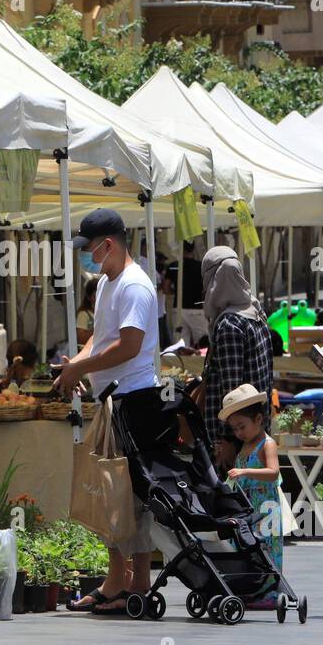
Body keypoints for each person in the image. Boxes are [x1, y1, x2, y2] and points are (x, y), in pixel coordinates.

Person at [55, 209, 166, 615]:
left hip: (134, 401)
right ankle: (124, 580)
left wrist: (80, 368)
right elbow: (101, 341)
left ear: (109, 244)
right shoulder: (105, 282)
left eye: (90, 249)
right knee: (113, 494)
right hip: (113, 400)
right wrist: (77, 364)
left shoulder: (135, 287)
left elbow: (129, 346)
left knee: (125, 494)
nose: (88, 256)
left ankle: (128, 582)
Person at [199, 246, 274, 472]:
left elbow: (232, 390)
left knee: (234, 501)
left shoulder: (230, 324)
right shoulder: (256, 312)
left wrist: (228, 440)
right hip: (255, 427)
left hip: (236, 437)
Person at [219, 384, 282, 607]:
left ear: (258, 420)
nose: (238, 433)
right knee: (249, 546)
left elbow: (273, 473)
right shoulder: (245, 446)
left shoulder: (267, 444)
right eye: (234, 429)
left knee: (268, 547)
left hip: (265, 505)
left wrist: (245, 471)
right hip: (248, 506)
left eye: (242, 427)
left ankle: (272, 591)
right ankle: (253, 587)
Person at [165, 241, 207, 347]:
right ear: (193, 250)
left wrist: (175, 292)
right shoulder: (201, 266)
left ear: (181, 249)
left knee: (181, 345)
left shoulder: (173, 266)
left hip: (178, 309)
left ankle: (180, 364)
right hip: (197, 309)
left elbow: (166, 288)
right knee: (203, 344)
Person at [75, 281, 97, 347]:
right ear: (88, 297)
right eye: (95, 296)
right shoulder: (83, 314)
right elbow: (80, 338)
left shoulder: (105, 310)